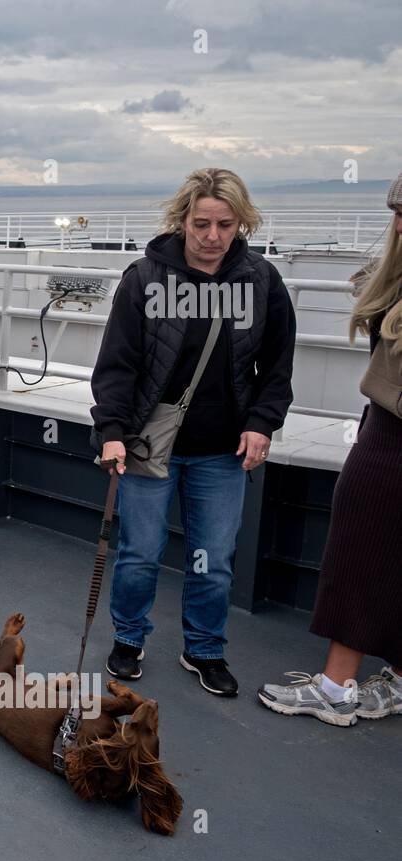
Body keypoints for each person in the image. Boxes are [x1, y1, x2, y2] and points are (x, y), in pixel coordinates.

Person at [91, 168, 297, 697]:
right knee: (139, 552)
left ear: (240, 223)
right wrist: (111, 430)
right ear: (181, 220)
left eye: (225, 224)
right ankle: (129, 640)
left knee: (213, 559)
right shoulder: (144, 278)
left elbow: (276, 366)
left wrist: (262, 424)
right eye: (201, 223)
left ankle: (204, 648)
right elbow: (118, 363)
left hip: (222, 450)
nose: (212, 236)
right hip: (149, 443)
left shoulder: (261, 281)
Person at [258, 174, 402, 725]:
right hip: (384, 426)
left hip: (392, 435)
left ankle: (337, 688)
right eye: (395, 210)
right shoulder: (393, 273)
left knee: (356, 550)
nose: (397, 222)